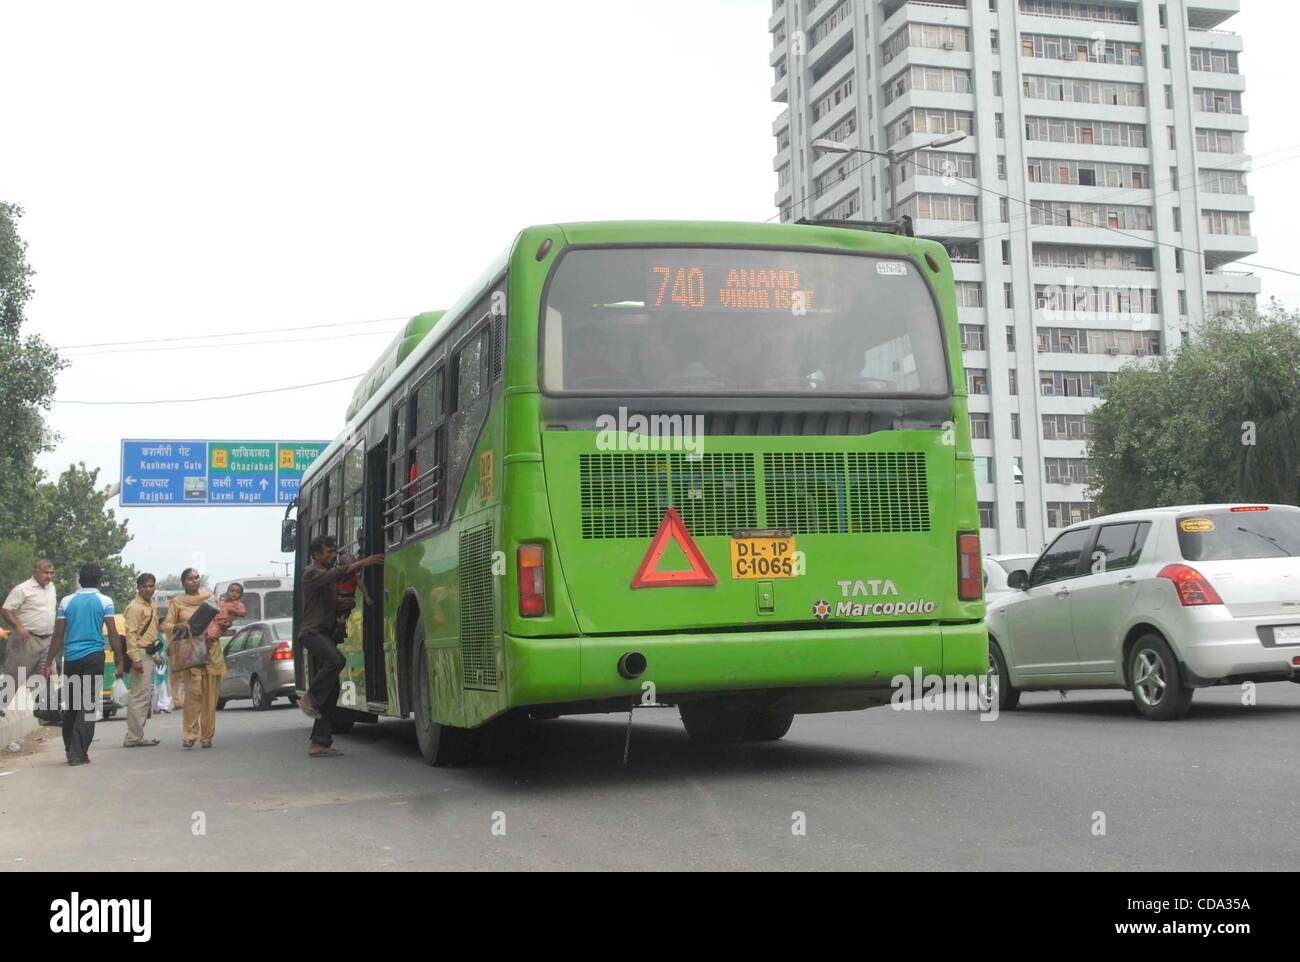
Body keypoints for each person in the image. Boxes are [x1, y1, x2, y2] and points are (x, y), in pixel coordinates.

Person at [298, 536, 382, 758]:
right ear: (315, 555)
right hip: (312, 633)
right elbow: (334, 575)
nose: (332, 555)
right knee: (337, 661)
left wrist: (345, 603)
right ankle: (309, 698)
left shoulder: (327, 578)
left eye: (334, 552)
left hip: (325, 634)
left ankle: (319, 743)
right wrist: (362, 563)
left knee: (333, 690)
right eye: (328, 552)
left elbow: (332, 598)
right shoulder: (311, 572)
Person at [41, 564, 122, 766]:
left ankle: (72, 749)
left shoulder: (66, 602)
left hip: (72, 658)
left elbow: (58, 635)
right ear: (98, 581)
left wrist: (49, 661)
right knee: (87, 706)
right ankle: (78, 753)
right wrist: (120, 661)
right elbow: (112, 634)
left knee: (72, 705)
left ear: (80, 580)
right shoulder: (105, 601)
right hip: (94, 657)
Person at [161, 569, 217, 749]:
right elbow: (166, 625)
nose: (194, 581)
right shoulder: (177, 602)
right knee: (194, 693)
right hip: (190, 652)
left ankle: (207, 736)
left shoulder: (210, 598)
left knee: (210, 695)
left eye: (196, 577)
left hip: (212, 650)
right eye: (190, 579)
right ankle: (190, 734)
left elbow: (222, 618)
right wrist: (179, 625)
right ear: (184, 582)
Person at [2, 560, 57, 712]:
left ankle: (46, 713)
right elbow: (6, 610)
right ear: (36, 572)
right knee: (13, 676)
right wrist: (18, 626)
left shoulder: (51, 588)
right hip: (26, 639)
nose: (49, 576)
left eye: (51, 573)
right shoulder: (23, 589)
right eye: (45, 572)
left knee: (43, 676)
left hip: (46, 640)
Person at [122, 573, 165, 748]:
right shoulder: (134, 607)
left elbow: (150, 634)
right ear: (138, 587)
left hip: (148, 653)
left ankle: (137, 735)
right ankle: (133, 737)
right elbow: (131, 634)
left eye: (151, 586)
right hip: (139, 654)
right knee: (139, 697)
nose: (148, 589)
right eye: (145, 586)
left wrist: (155, 656)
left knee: (144, 696)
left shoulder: (151, 605)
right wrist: (136, 658)